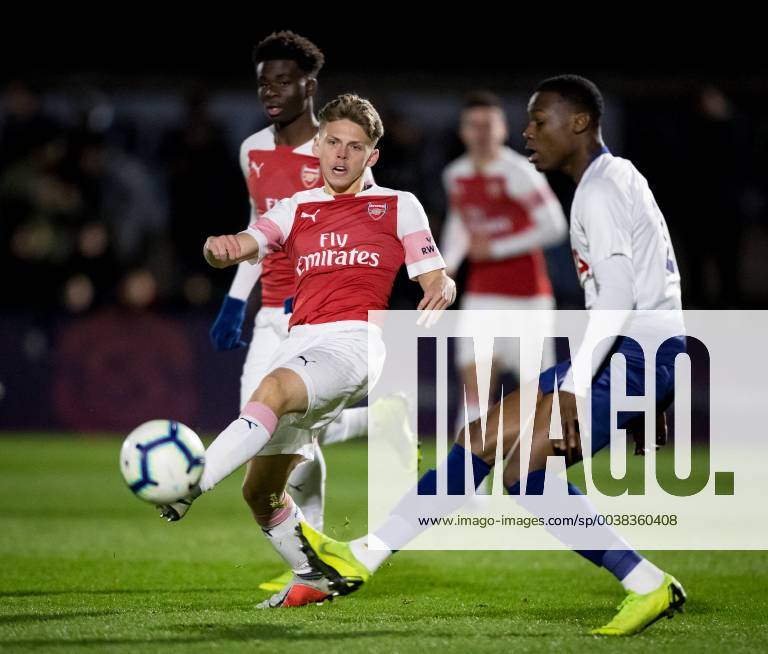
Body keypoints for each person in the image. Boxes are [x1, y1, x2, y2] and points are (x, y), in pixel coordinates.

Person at [298, 75, 687, 636]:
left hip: (629, 355)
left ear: (578, 123)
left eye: (538, 120)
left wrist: (598, 384)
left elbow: (623, 294)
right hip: (634, 354)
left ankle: (645, 583)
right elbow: (653, 285)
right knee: (482, 438)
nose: (527, 131)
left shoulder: (601, 188)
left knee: (524, 471)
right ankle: (366, 553)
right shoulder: (609, 179)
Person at [161, 93, 456, 609]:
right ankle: (313, 575)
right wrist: (222, 248)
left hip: (355, 342)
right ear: (317, 147)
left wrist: (442, 287)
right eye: (334, 142)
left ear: (372, 157)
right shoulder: (297, 207)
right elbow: (250, 239)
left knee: (270, 390)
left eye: (355, 146)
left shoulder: (397, 204)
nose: (342, 155)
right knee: (260, 492)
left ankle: (192, 482)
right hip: (301, 341)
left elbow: (434, 271)